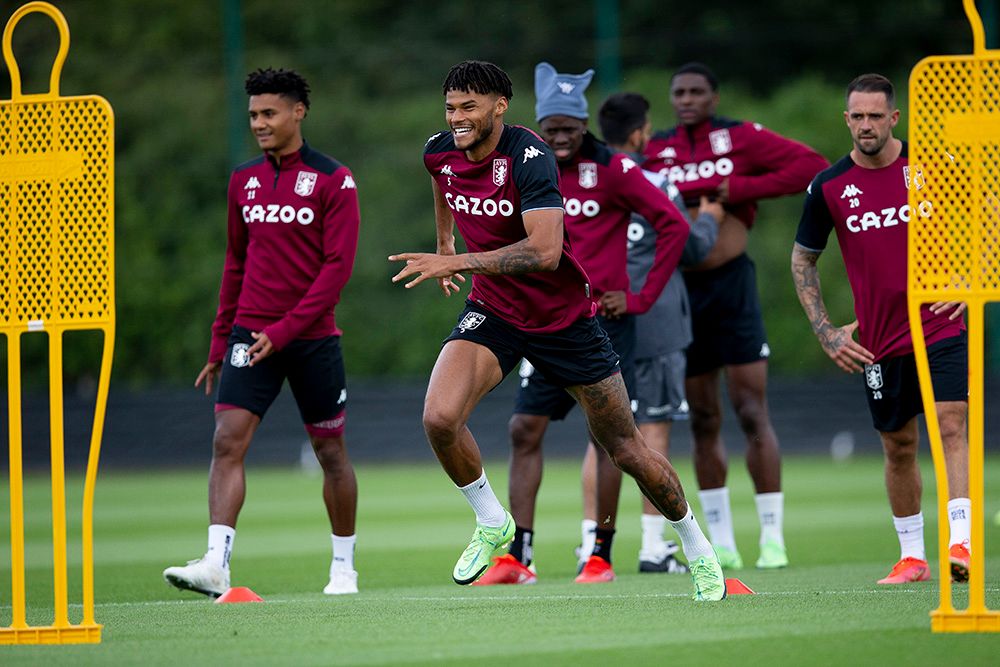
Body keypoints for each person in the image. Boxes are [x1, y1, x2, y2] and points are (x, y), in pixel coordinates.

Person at [389, 60, 726, 601]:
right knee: (439, 418)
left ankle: (698, 547)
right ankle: (492, 522)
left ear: (500, 107)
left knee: (625, 447)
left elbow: (545, 254)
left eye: (469, 107)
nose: (457, 118)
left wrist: (458, 262)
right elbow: (442, 181)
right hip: (496, 313)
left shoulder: (529, 156)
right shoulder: (439, 151)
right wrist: (445, 242)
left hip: (565, 322)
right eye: (451, 107)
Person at [474, 63, 690, 586]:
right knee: (523, 428)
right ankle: (518, 556)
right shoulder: (524, 164)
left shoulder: (613, 167)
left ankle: (600, 554)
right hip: (539, 322)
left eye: (570, 127)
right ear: (541, 126)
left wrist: (639, 298)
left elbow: (673, 224)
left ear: (584, 124)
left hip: (603, 326)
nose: (561, 137)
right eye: (552, 128)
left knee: (610, 439)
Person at [163, 68, 362, 597]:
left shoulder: (334, 179)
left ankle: (343, 569)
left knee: (331, 453)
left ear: (299, 112)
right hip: (250, 336)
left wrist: (288, 329)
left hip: (313, 338)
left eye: (269, 113)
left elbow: (337, 268)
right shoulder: (243, 180)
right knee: (227, 441)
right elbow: (235, 261)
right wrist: (218, 340)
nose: (259, 123)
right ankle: (216, 563)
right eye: (253, 114)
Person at [643, 62, 829, 570]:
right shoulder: (658, 149)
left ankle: (772, 537)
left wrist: (740, 190)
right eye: (678, 91)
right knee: (703, 418)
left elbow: (811, 165)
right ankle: (721, 539)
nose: (686, 99)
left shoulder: (739, 137)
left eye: (696, 91)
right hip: (683, 290)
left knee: (751, 410)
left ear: (714, 95)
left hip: (733, 288)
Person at [792, 73, 971, 584]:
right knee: (898, 445)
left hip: (940, 324)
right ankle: (912, 557)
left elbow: (990, 214)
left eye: (876, 116)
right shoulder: (828, 187)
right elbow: (803, 259)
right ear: (846, 119)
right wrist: (826, 331)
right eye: (858, 116)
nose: (866, 125)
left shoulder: (934, 167)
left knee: (951, 422)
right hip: (879, 338)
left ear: (895, 118)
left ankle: (961, 543)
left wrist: (971, 275)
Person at [575, 92, 721, 575]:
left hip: (593, 319)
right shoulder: (656, 181)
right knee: (650, 430)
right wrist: (711, 219)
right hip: (652, 323)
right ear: (641, 132)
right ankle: (652, 546)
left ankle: (589, 545)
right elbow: (693, 247)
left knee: (602, 435)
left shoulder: (580, 180)